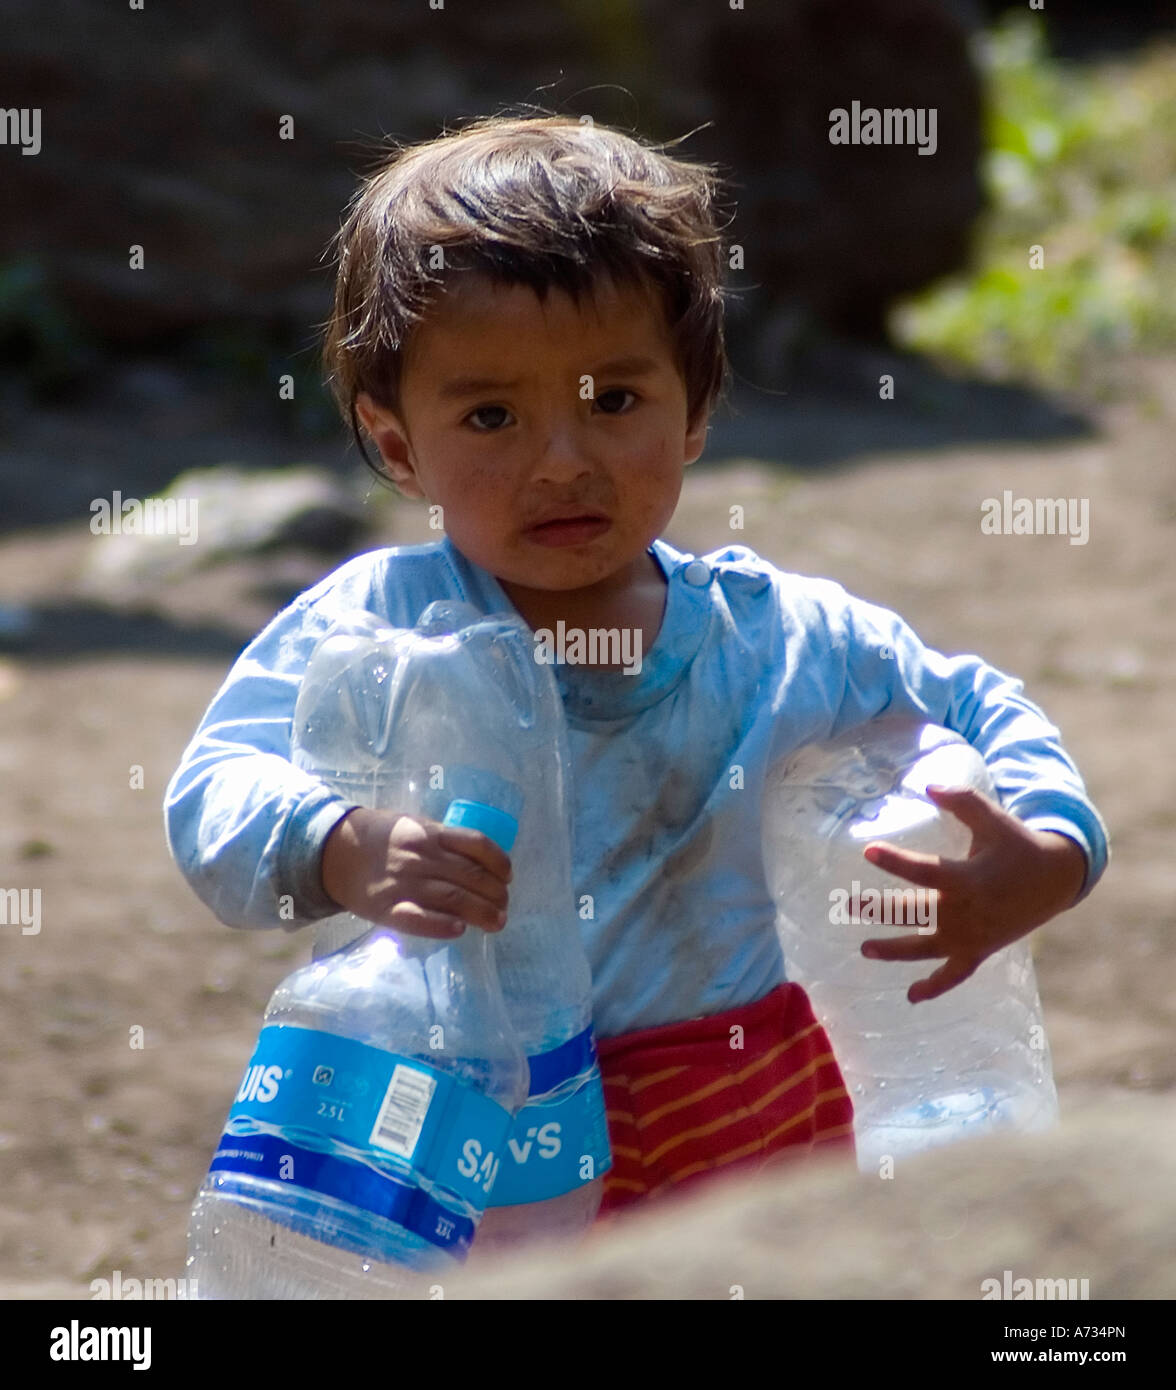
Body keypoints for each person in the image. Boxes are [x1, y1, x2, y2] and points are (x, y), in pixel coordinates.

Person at [164, 113, 1109, 1229]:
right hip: (482, 1119)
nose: (562, 462)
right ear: (398, 444)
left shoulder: (776, 637)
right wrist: (333, 842)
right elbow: (213, 788)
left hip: (751, 1101)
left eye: (613, 400)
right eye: (491, 415)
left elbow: (971, 699)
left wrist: (1054, 847)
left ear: (697, 406)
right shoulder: (376, 632)